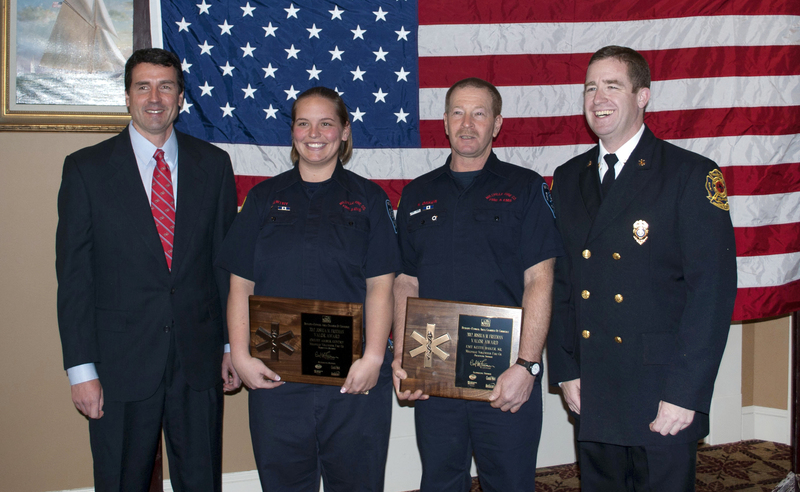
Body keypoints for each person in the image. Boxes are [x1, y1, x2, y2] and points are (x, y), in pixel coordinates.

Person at [547, 45, 737, 491]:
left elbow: (712, 292)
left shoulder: (690, 174)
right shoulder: (568, 177)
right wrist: (566, 369)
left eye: (612, 86)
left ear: (643, 96)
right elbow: (562, 283)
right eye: (590, 87)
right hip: (594, 383)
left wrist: (686, 393)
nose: (598, 98)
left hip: (660, 389)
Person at [56, 48, 240, 491]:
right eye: (143, 86)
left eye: (166, 86)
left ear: (180, 98)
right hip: (119, 364)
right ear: (126, 96)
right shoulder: (86, 169)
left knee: (201, 480)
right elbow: (75, 279)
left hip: (198, 361)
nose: (154, 97)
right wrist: (81, 371)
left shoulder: (213, 165)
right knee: (121, 480)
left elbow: (225, 265)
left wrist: (233, 344)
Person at [218, 86, 399, 491]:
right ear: (293, 132)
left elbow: (381, 287)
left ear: (345, 132)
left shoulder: (370, 199)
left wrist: (372, 358)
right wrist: (242, 356)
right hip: (276, 377)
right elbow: (239, 285)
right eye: (303, 123)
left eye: (326, 123)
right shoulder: (264, 198)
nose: (314, 133)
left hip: (352, 378)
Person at [392, 78, 564, 492]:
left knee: (509, 483)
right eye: (457, 113)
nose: (467, 124)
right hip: (433, 373)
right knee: (439, 481)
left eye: (479, 113)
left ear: (497, 124)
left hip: (504, 374)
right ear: (446, 123)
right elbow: (405, 281)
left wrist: (527, 366)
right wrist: (403, 358)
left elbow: (540, 278)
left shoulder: (525, 187)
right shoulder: (417, 193)